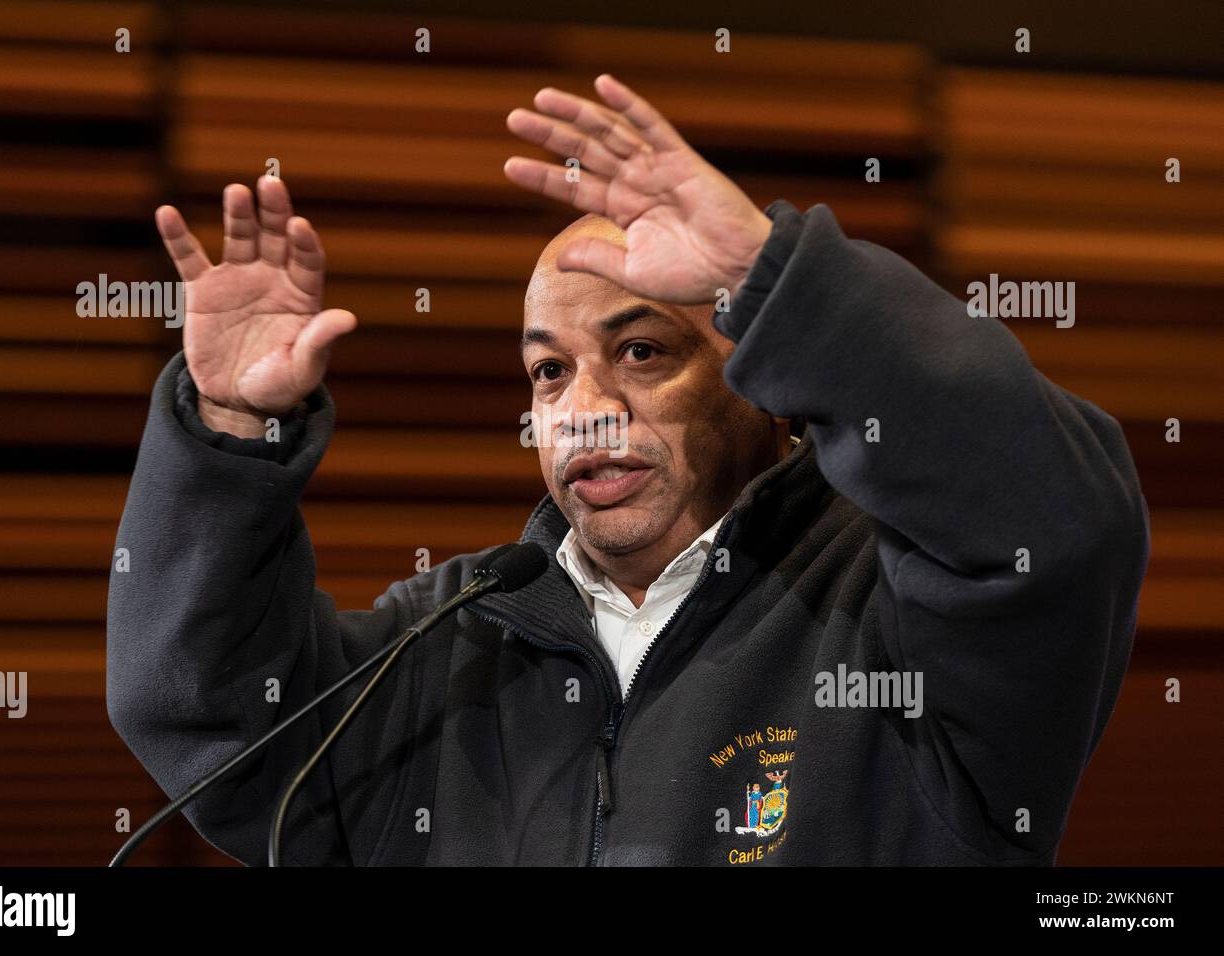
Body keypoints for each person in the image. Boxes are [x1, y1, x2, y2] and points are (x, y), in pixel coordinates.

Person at [107, 74, 1150, 866]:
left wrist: (776, 280)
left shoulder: (891, 610)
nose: (585, 410)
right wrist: (235, 425)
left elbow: (1051, 527)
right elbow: (213, 717)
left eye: (642, 351)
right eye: (548, 371)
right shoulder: (453, 638)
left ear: (763, 371)